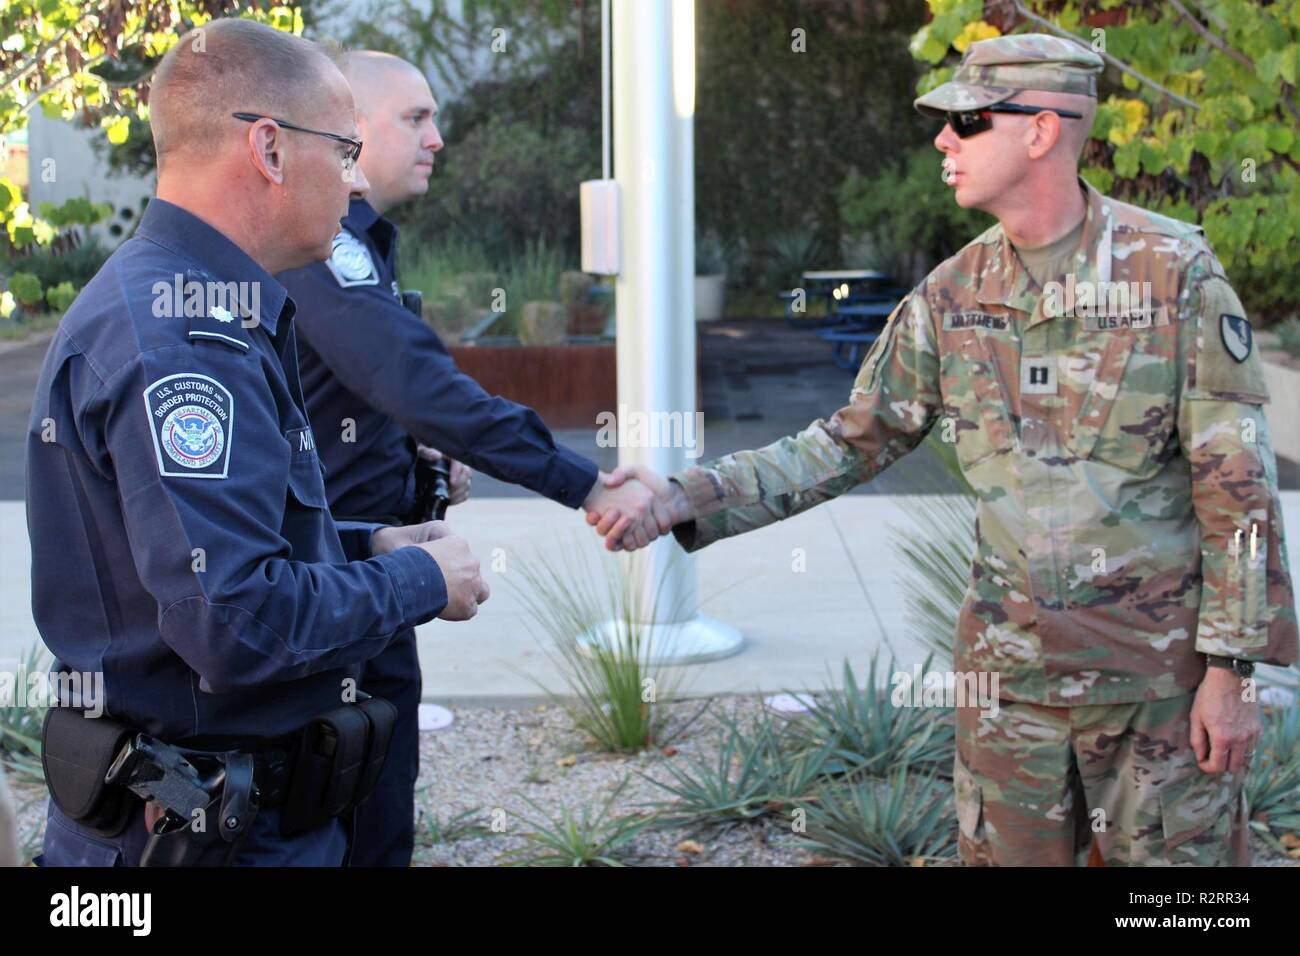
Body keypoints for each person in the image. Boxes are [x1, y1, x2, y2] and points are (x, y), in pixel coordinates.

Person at [593, 34, 1299, 866]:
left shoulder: (1175, 273)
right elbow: (850, 442)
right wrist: (683, 496)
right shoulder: (953, 294)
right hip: (1007, 695)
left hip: (1158, 695)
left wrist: (1232, 670)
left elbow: (1239, 492)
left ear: (1041, 131)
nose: (942, 142)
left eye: (966, 123)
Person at [25, 19, 488, 866]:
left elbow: (213, 557)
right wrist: (417, 578)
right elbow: (234, 620)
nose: (354, 185)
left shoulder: (199, 306)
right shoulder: (184, 339)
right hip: (201, 836)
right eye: (345, 150)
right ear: (270, 150)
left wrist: (367, 543)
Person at [276, 50, 664, 866]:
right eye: (416, 118)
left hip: (360, 570)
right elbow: (417, 381)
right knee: (359, 822)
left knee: (370, 800)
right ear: (349, 131)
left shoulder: (354, 244)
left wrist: (410, 449)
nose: (438, 138)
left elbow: (347, 394)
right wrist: (589, 483)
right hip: (332, 586)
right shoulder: (325, 250)